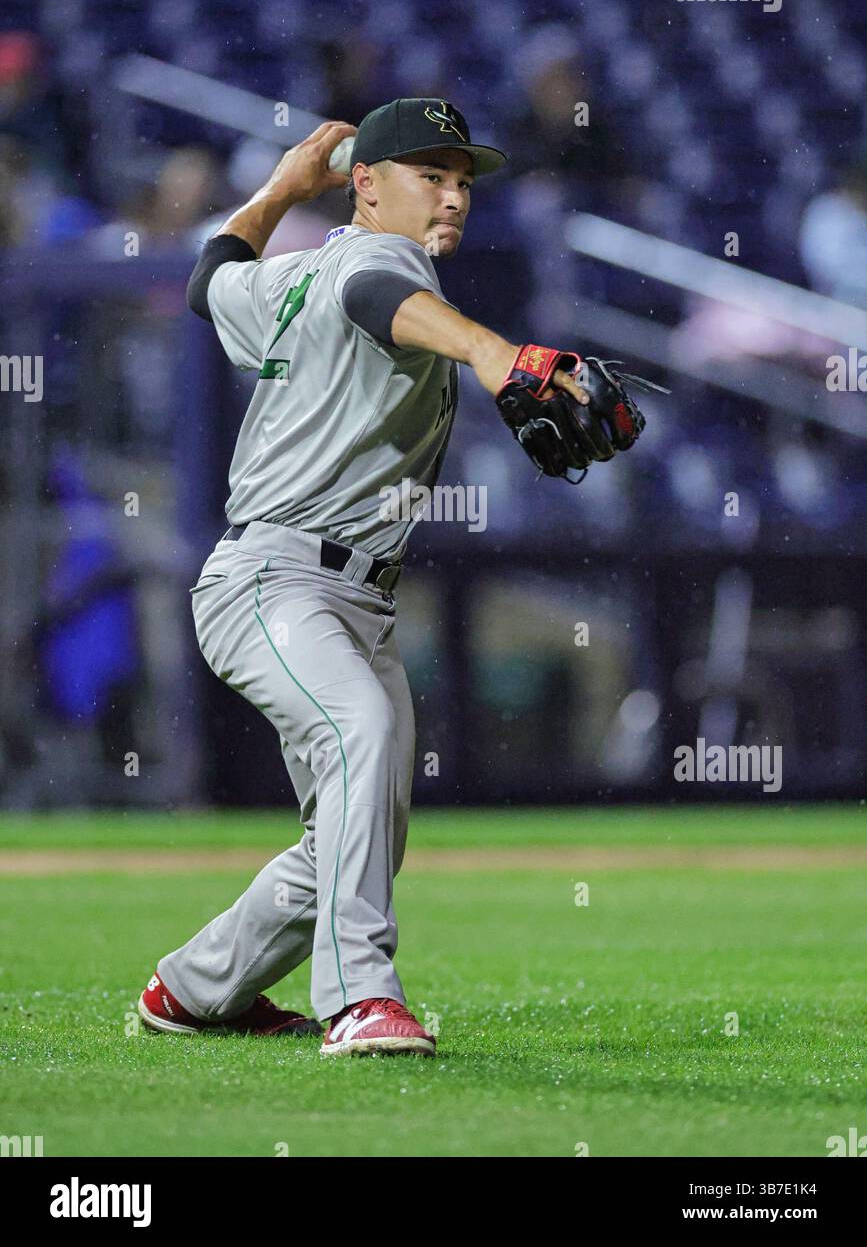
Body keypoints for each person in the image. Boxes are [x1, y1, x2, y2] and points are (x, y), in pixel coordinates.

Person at [137, 98, 590, 1057]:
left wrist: (276, 190)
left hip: (340, 595)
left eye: (463, 180)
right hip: (277, 580)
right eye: (431, 175)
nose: (455, 195)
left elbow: (210, 276)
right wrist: (494, 351)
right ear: (368, 185)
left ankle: (191, 988)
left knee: (353, 829)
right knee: (362, 732)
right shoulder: (376, 263)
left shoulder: (288, 278)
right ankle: (359, 1000)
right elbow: (377, 298)